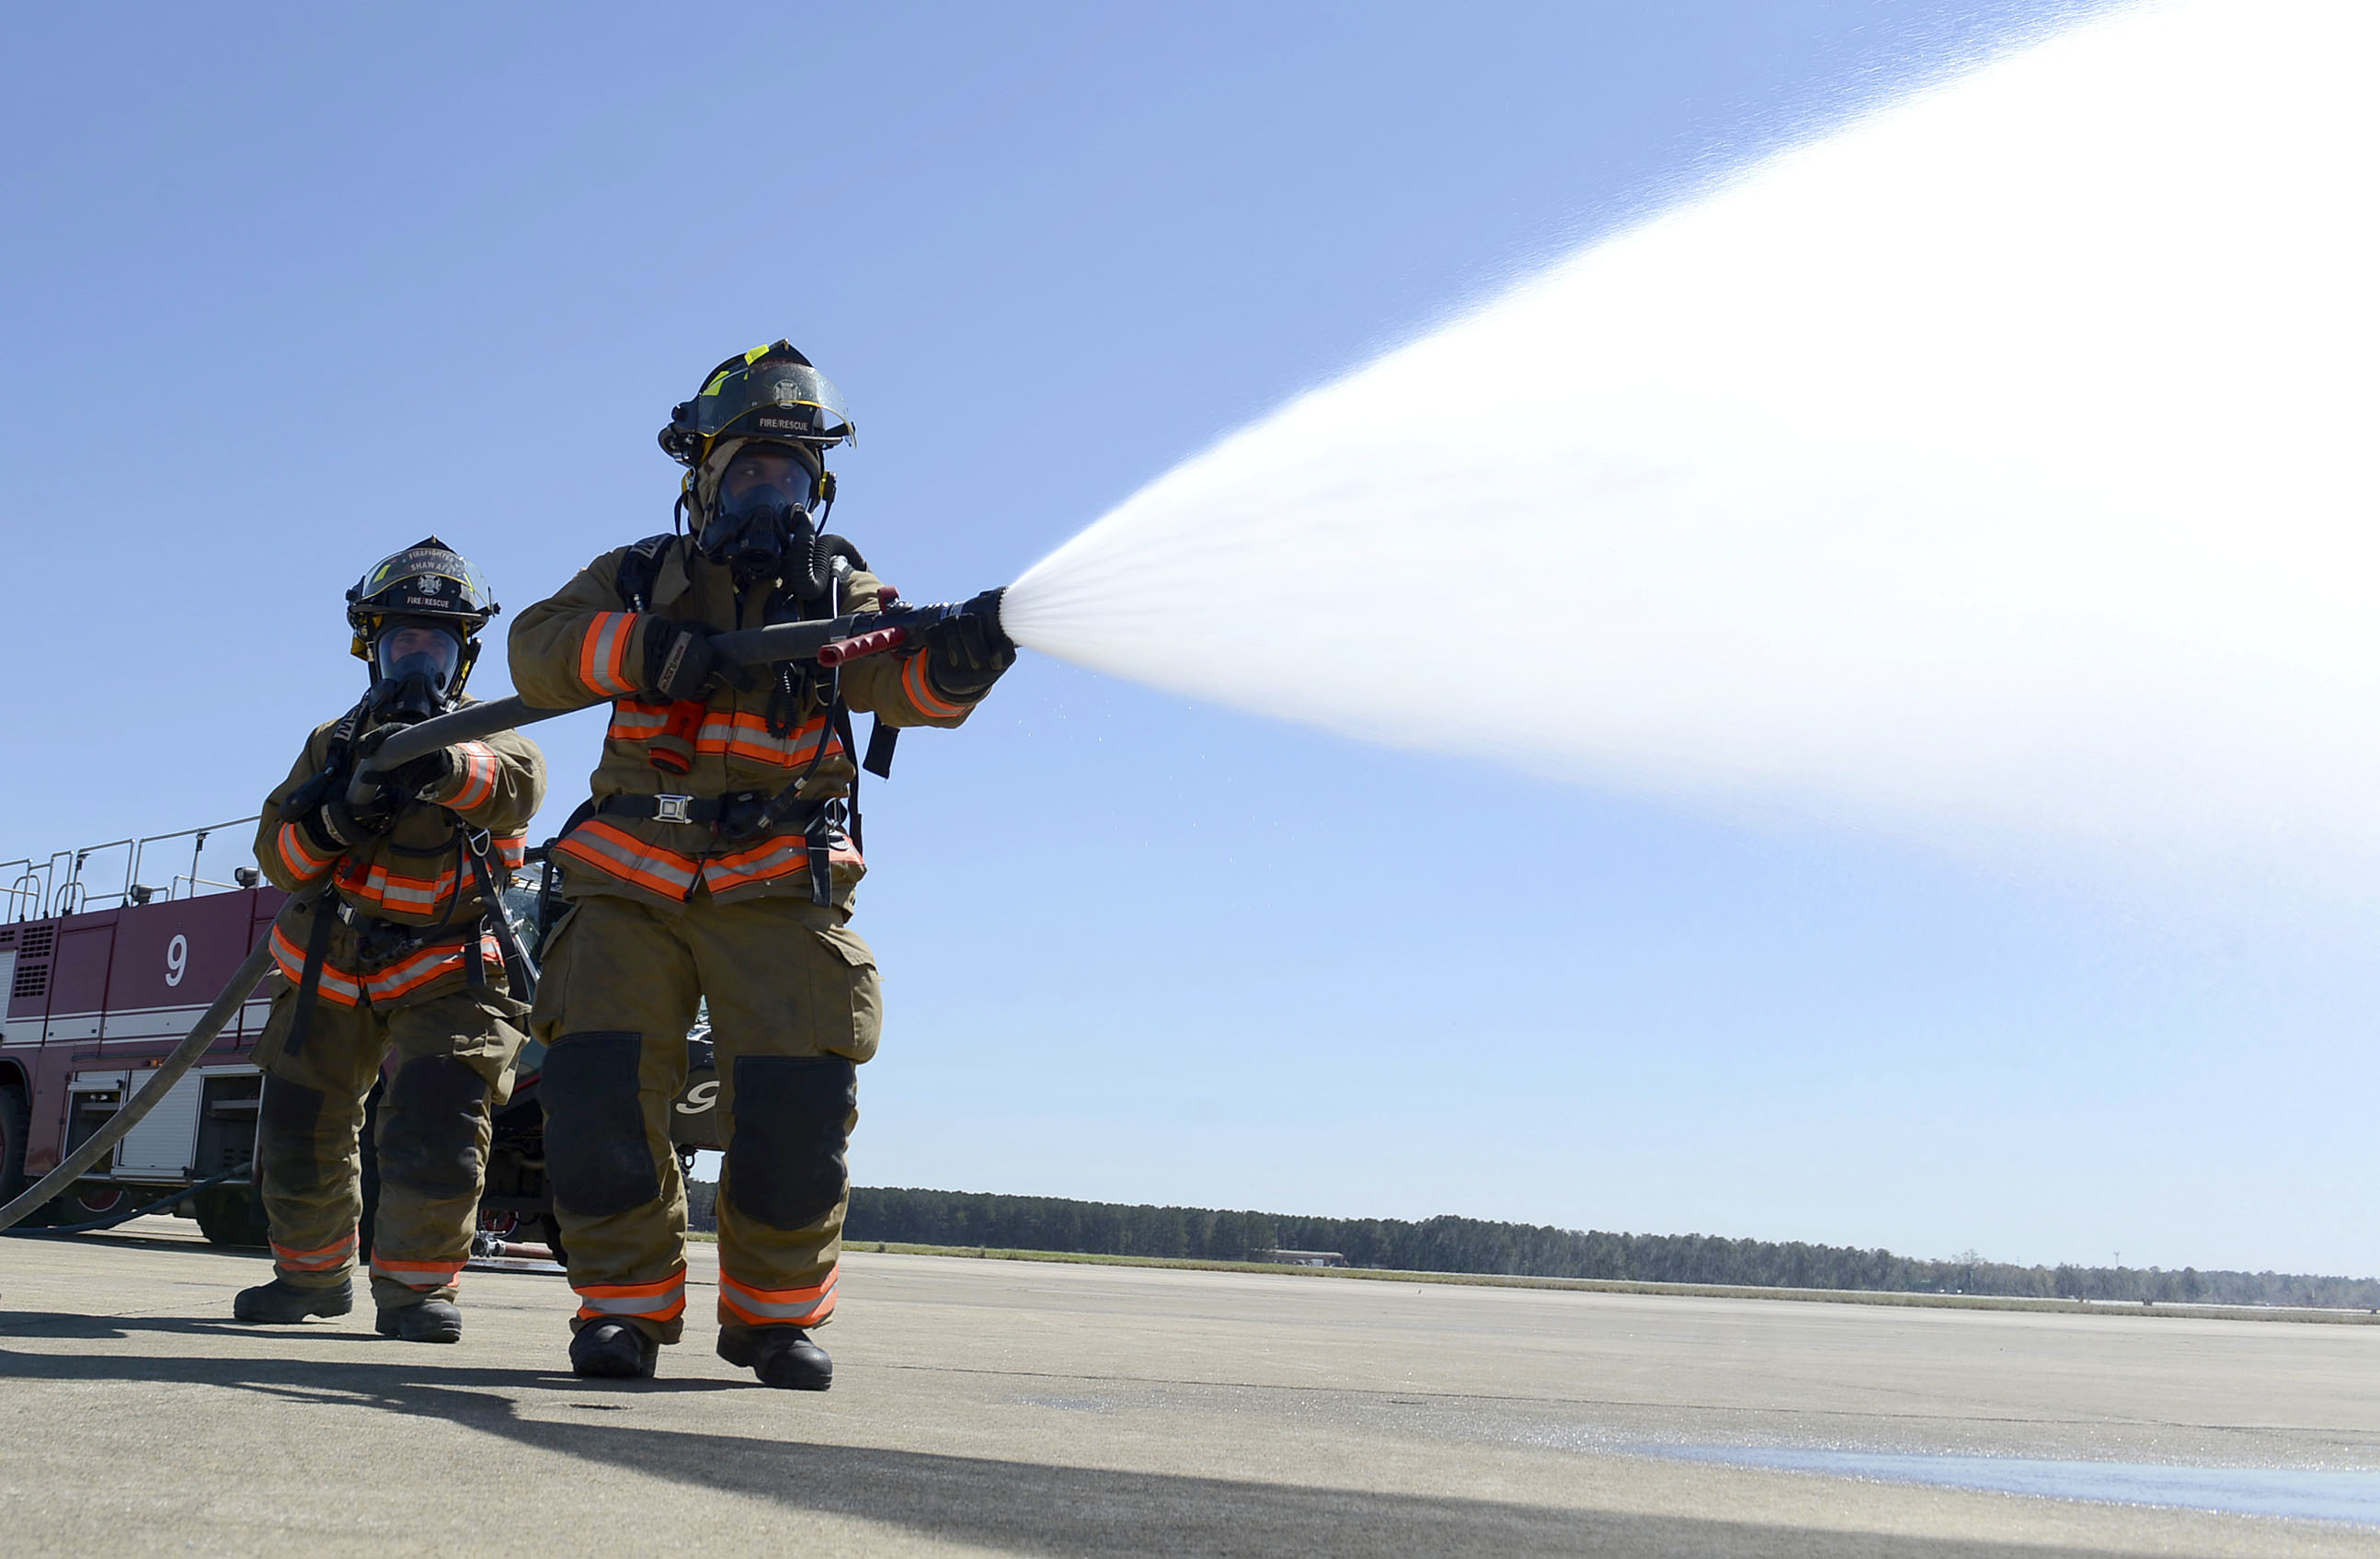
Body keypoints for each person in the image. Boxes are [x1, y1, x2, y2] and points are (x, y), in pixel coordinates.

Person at [508, 340, 1013, 1387]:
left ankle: (775, 1321)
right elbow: (536, 648)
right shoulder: (637, 576)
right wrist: (641, 647)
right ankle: (622, 1314)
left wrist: (961, 658)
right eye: (748, 472)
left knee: (796, 1113)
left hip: (779, 893)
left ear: (818, 489)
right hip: (625, 893)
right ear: (701, 479)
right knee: (597, 1099)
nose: (766, 494)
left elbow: (903, 680)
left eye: (788, 476)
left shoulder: (841, 593)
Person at [233, 538, 547, 1343]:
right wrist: (338, 812)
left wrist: (440, 765)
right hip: (329, 969)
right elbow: (282, 857)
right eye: (403, 641)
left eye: (435, 644)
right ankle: (310, 1276)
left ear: (463, 656)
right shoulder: (330, 742)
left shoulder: (499, 733)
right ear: (372, 649)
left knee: (437, 1127)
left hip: (447, 971)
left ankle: (414, 1291)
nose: (419, 658)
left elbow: (516, 789)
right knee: (300, 1128)